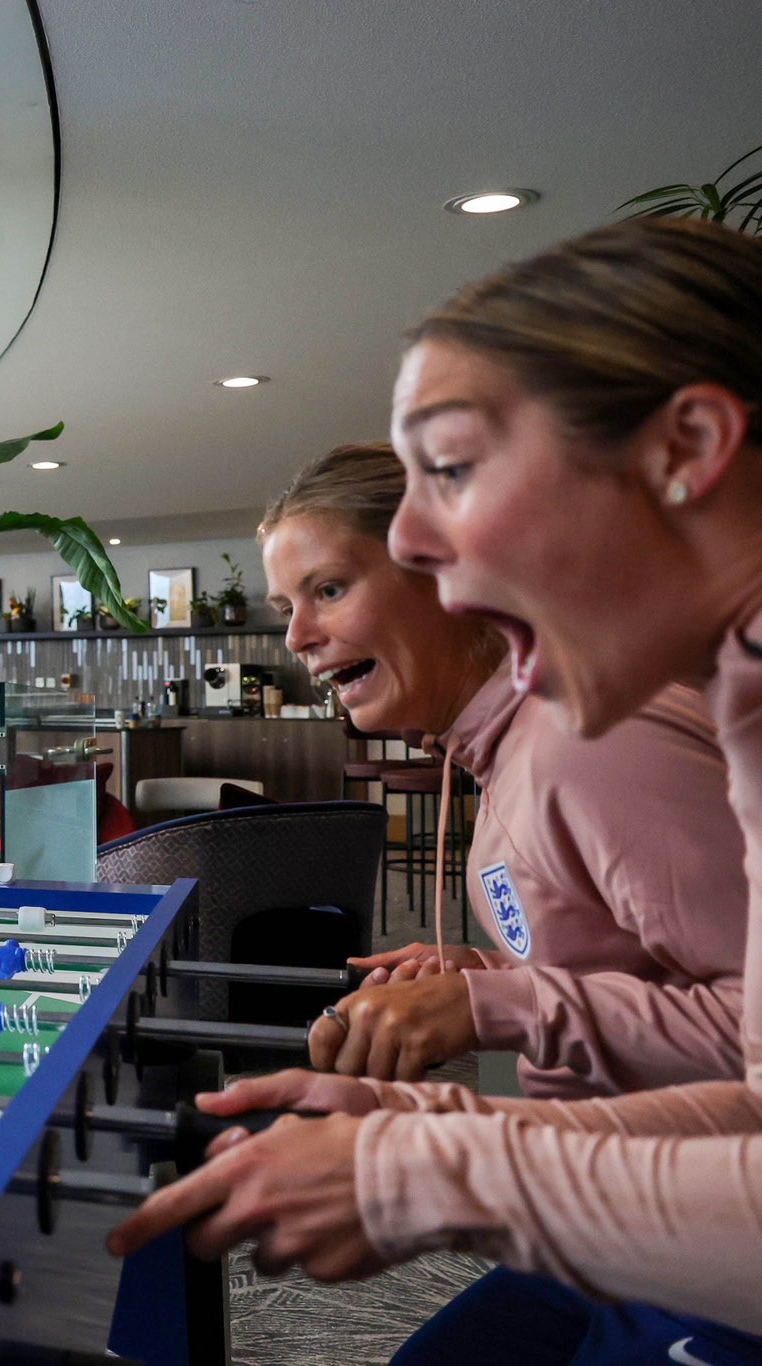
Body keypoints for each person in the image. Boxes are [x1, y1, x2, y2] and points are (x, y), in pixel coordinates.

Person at [110, 217, 762, 1362]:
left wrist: (441, 1141)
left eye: (452, 474)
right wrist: (428, 1122)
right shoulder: (726, 708)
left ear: (688, 448)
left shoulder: (610, 738)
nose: (418, 539)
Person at [262, 442, 745, 1095]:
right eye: (286, 608)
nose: (297, 637)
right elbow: (633, 971)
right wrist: (486, 976)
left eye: (329, 589)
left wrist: (493, 1005)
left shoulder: (588, 743)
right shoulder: (502, 745)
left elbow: (748, 1017)